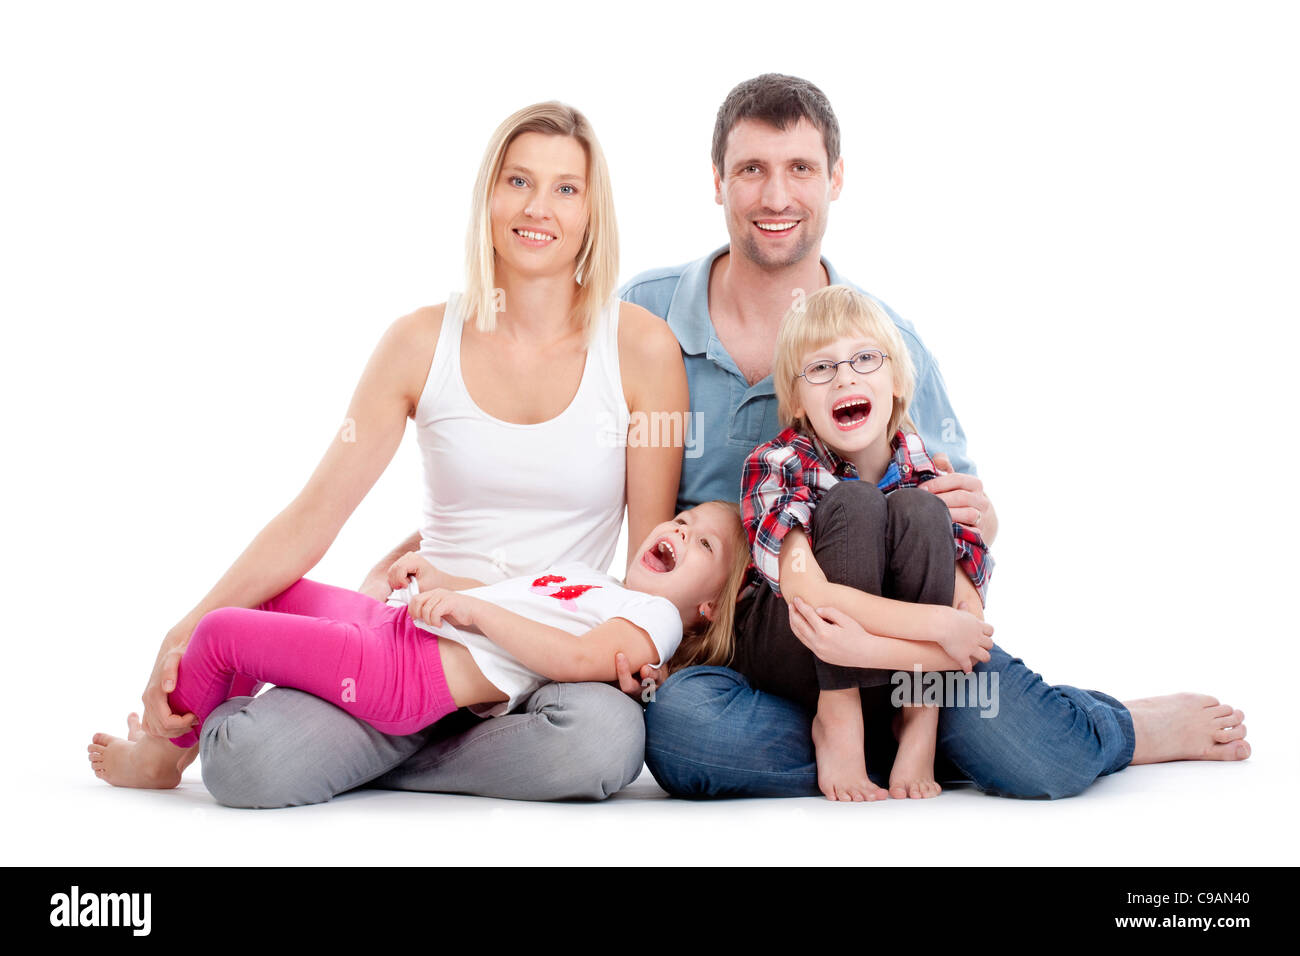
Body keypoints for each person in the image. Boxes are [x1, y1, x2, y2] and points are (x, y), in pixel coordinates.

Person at [617, 73, 1250, 799]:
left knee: (1034, 753)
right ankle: (885, 737)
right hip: (746, 644)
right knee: (682, 731)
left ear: (836, 179)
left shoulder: (884, 345)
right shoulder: (647, 313)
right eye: (751, 169)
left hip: (898, 635)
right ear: (718, 182)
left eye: (801, 168)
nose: (776, 197)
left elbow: (949, 516)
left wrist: (980, 526)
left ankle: (1108, 726)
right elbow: (602, 486)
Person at [87, 101, 689, 804]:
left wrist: (634, 658)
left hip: (543, 668)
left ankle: (384, 757)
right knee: (245, 763)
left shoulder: (642, 349)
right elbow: (314, 515)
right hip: (411, 647)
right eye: (518, 181)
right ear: (488, 196)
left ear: (592, 211)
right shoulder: (418, 342)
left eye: (566, 188)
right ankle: (397, 728)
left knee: (602, 743)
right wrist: (183, 630)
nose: (539, 208)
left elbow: (648, 564)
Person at [88, 503, 749, 787]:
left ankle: (164, 759)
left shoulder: (657, 618)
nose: (679, 533)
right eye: (682, 521)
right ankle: (211, 712)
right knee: (265, 593)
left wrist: (475, 614)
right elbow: (506, 590)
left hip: (404, 676)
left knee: (218, 631)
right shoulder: (589, 579)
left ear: (706, 608)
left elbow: (576, 661)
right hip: (399, 630)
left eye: (703, 546)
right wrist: (443, 581)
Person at [741, 285, 995, 802]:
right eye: (821, 368)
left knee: (923, 508)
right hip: (796, 640)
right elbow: (807, 594)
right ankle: (838, 717)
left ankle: (918, 722)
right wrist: (937, 629)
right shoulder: (779, 462)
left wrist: (876, 646)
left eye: (864, 359)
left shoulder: (928, 469)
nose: (846, 376)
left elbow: (969, 612)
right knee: (854, 502)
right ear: (795, 401)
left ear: (899, 382)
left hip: (889, 660)